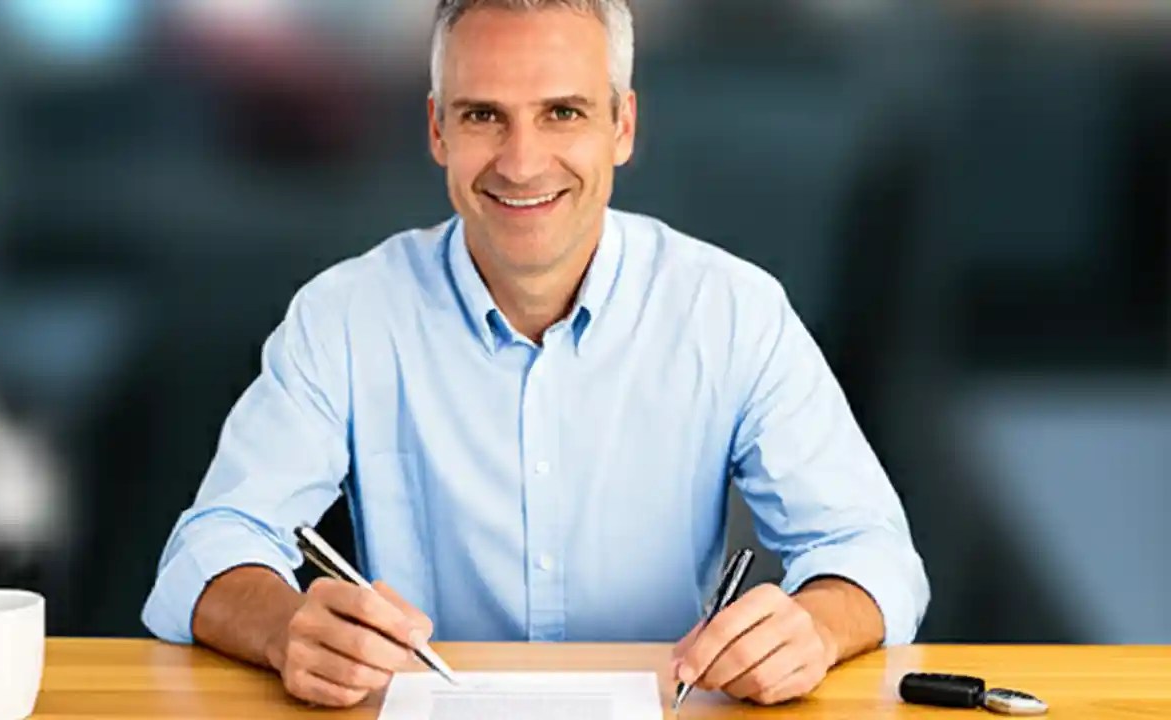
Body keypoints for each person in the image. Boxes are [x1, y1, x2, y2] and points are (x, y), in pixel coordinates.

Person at [142, 0, 930, 709]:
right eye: (484, 115)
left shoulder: (732, 311)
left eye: (562, 112)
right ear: (437, 130)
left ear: (622, 127)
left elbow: (869, 551)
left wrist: (816, 630)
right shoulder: (344, 315)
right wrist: (286, 628)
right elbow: (210, 549)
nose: (521, 162)